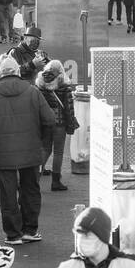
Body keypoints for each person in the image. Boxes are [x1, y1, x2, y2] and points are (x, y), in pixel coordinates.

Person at [0, 53, 55, 245]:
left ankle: (13, 233)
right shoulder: (33, 91)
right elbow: (50, 119)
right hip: (31, 152)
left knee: (7, 193)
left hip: (3, 154)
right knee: (31, 191)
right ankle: (30, 230)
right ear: (18, 71)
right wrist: (42, 143)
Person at [36, 60, 79, 191]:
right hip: (60, 123)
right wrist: (71, 125)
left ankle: (34, 179)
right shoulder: (64, 86)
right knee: (58, 152)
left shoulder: (40, 85)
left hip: (45, 123)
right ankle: (56, 182)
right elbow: (69, 109)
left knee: (45, 149)